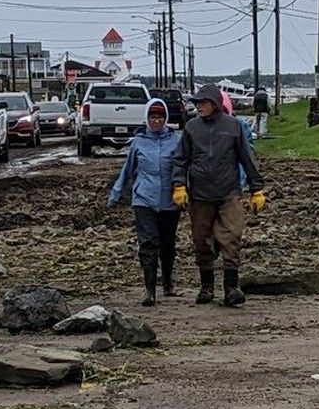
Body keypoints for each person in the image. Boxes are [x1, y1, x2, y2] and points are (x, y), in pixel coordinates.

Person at [172, 84, 266, 307]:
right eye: (196, 103)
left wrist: (256, 189)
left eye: (202, 103)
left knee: (231, 237)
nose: (198, 106)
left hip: (228, 193)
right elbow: (181, 159)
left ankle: (231, 287)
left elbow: (246, 157)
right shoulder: (192, 128)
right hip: (200, 195)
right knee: (201, 240)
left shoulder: (234, 126)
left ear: (214, 103)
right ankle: (206, 287)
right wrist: (179, 185)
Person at [107, 98, 183, 306]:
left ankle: (167, 283)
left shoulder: (176, 141)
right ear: (147, 118)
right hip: (144, 199)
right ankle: (149, 289)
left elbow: (184, 167)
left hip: (170, 200)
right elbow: (128, 170)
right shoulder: (139, 142)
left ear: (166, 118)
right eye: (153, 116)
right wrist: (116, 193)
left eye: (160, 117)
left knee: (167, 244)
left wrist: (188, 192)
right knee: (148, 243)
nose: (156, 121)